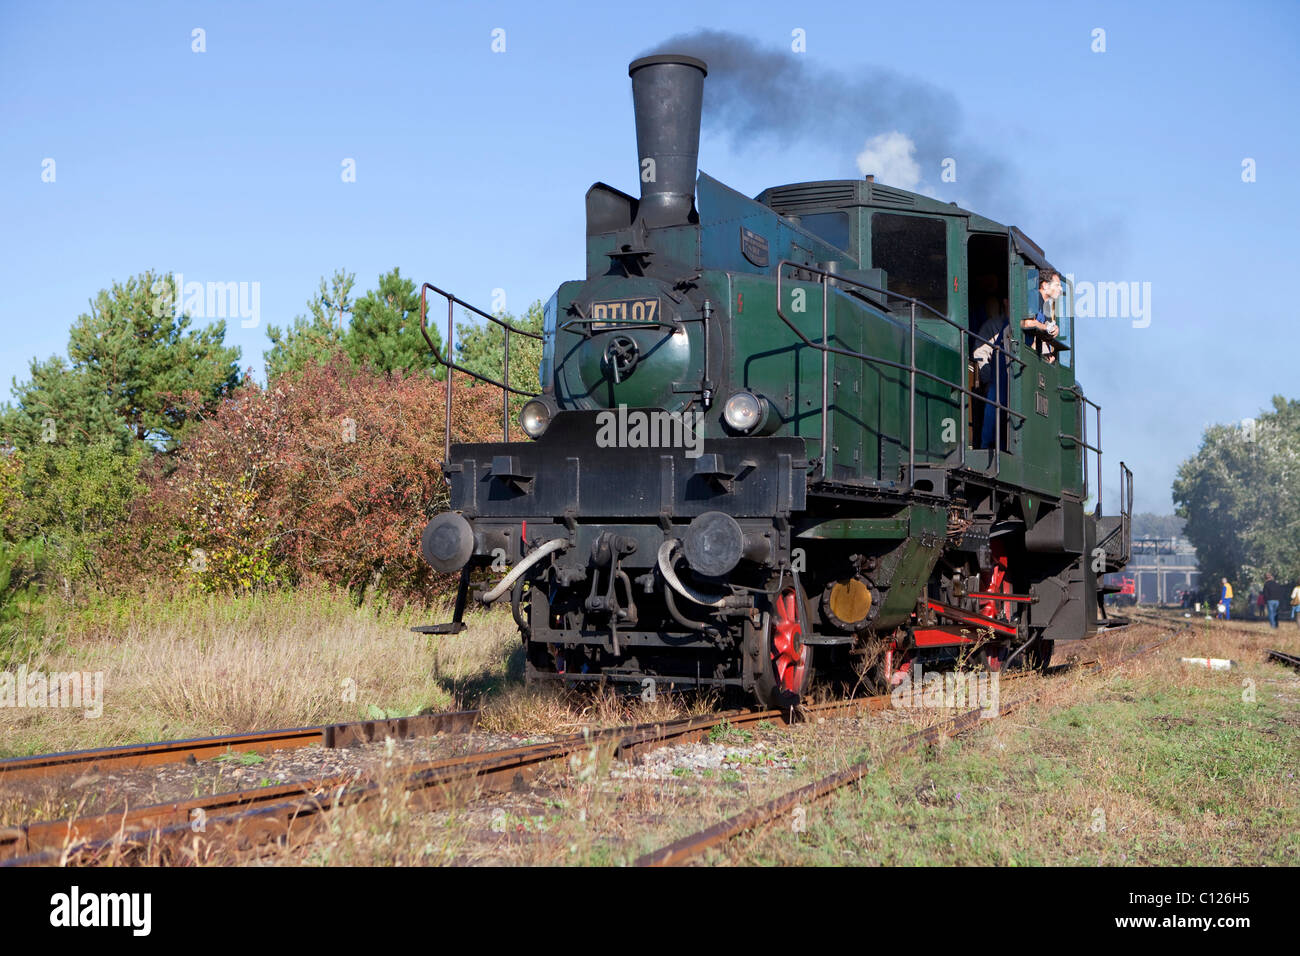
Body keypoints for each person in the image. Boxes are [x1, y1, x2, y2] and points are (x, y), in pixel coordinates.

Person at [1022, 270, 1062, 364]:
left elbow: (1047, 326)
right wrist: (1046, 327)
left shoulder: (1047, 306)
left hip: (1026, 351)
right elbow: (1025, 323)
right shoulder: (1032, 296)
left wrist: (1054, 329)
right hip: (1010, 349)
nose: (1060, 289)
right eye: (1057, 285)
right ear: (1045, 285)